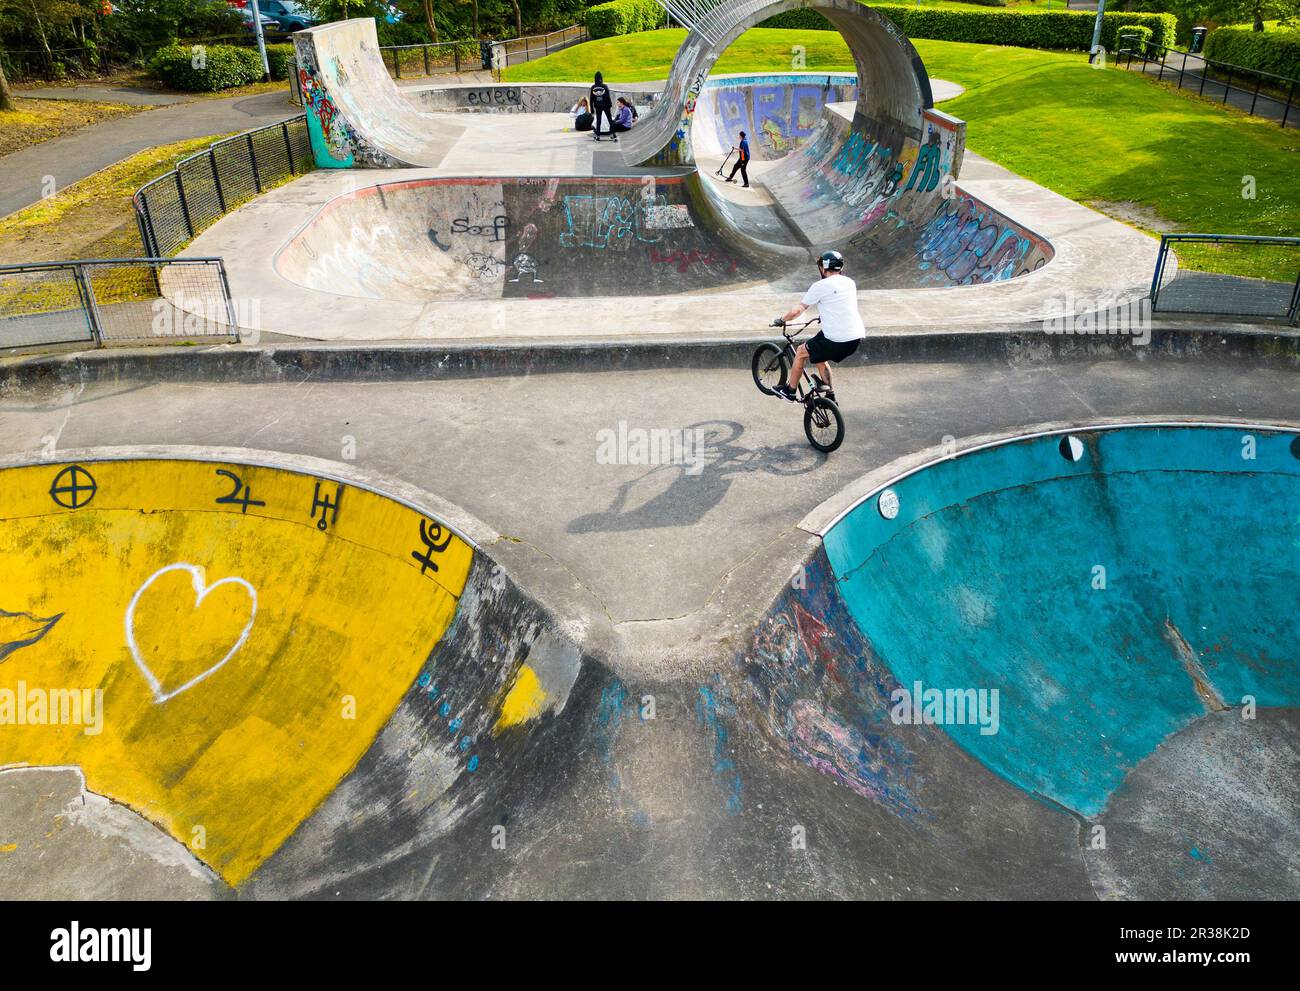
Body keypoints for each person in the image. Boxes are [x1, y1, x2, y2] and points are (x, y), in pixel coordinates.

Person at [771, 250, 864, 403]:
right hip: (855, 339)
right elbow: (840, 304)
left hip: (835, 339)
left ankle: (790, 391)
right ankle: (830, 396)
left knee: (801, 352)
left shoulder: (819, 286)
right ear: (840, 267)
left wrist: (781, 320)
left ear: (822, 268)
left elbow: (797, 310)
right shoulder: (850, 283)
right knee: (819, 355)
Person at [590, 71, 616, 142]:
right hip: (606, 105)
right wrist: (610, 104)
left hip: (598, 106)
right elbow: (608, 96)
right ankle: (614, 135)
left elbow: (591, 98)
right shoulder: (605, 86)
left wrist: (591, 108)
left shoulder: (593, 87)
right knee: (610, 120)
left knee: (599, 121)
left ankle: (598, 137)